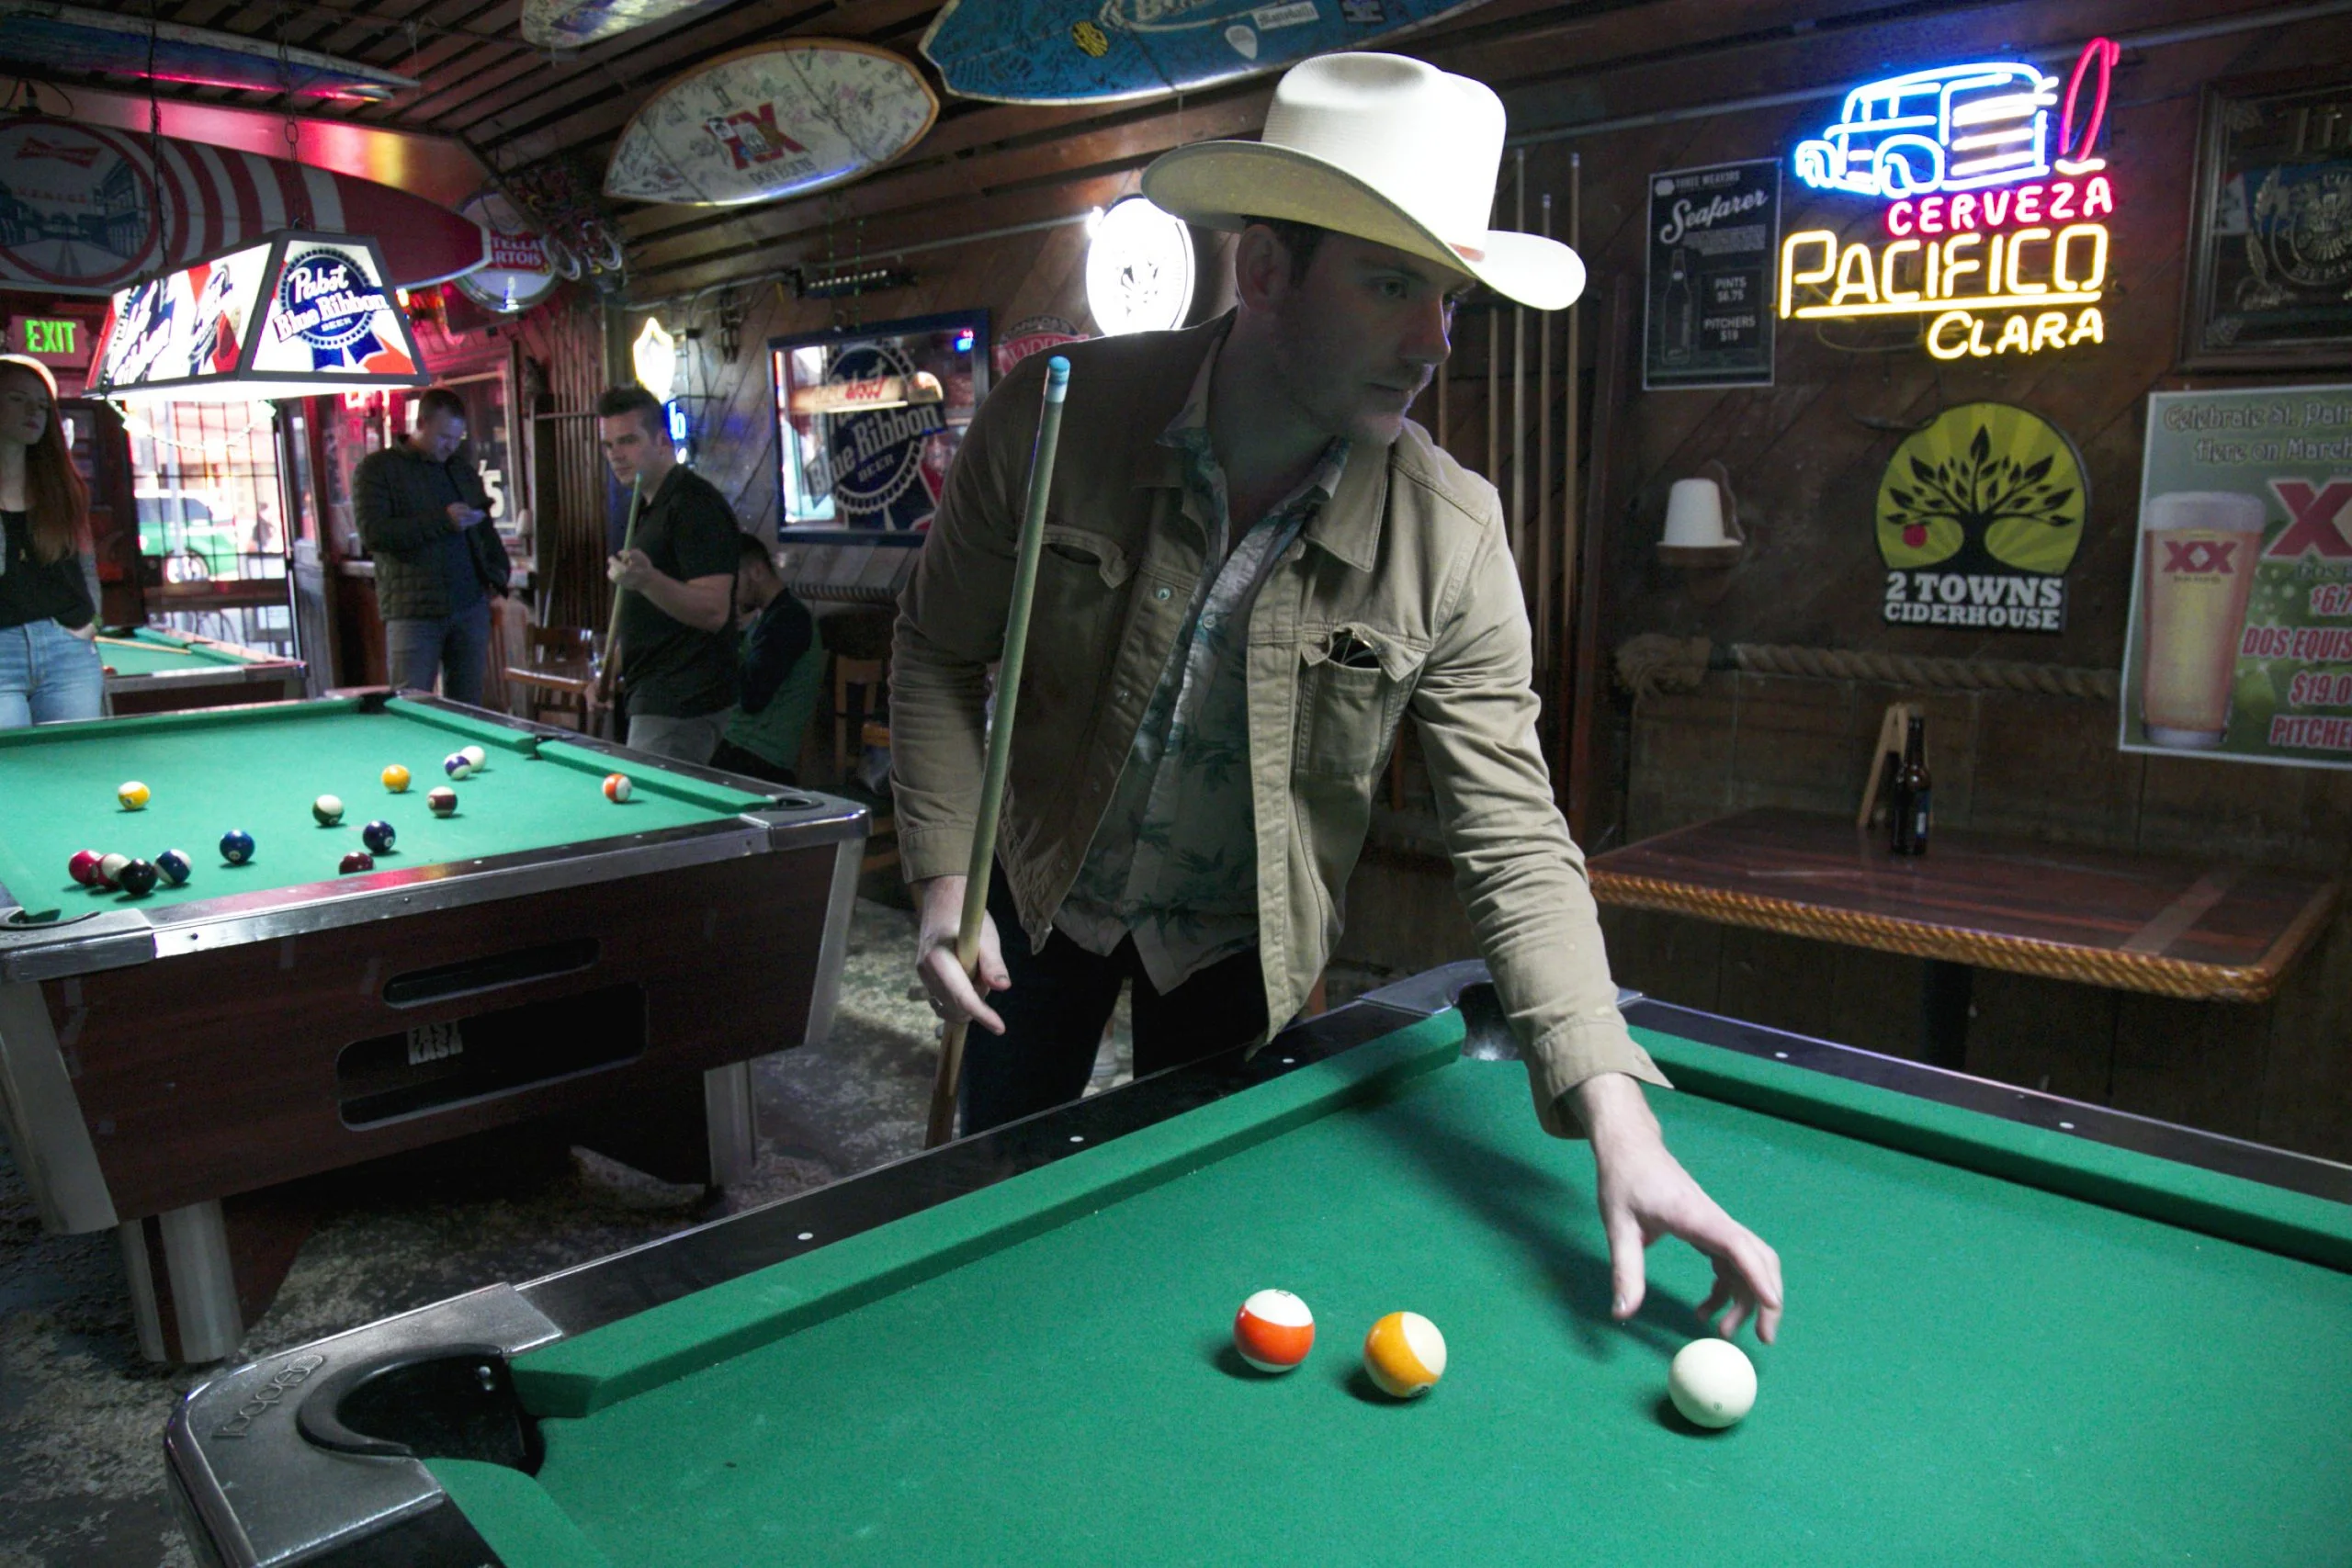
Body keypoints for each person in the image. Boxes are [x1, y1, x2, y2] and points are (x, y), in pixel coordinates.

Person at [894, 54, 1782, 1342]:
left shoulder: (1454, 538)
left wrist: (1618, 1115)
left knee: (1191, 1272)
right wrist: (942, 875)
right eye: (1389, 285)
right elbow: (933, 651)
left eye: (1448, 298)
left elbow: (1516, 840)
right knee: (987, 1229)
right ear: (1264, 270)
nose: (1434, 343)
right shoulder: (1055, 420)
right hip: (1026, 901)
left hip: (1238, 945)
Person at [597, 385, 738, 763]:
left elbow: (714, 611)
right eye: (608, 445)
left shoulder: (694, 504)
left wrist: (648, 580)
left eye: (628, 441)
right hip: (653, 695)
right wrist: (610, 672)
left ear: (662, 440)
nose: (616, 455)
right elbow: (649, 618)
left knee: (649, 803)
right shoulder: (646, 505)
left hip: (682, 702)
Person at [355, 387, 511, 706]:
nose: (450, 446)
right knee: (411, 705)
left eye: (456, 438)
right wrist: (443, 521)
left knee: (467, 708)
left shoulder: (461, 469)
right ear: (421, 423)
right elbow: (375, 534)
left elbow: (485, 529)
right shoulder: (377, 469)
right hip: (413, 612)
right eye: (443, 437)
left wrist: (498, 574)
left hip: (469, 604)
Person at [0, 354, 102, 728]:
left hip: (67, 652)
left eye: (43, 406)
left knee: (73, 760)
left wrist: (93, 621)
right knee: (11, 762)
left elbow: (87, 567)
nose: (34, 412)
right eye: (17, 399)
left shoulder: (62, 488)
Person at [709, 534, 824, 785]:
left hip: (756, 758)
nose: (730, 594)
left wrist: (723, 638)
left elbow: (753, 696)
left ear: (757, 571)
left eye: (733, 582)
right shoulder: (769, 618)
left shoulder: (789, 620)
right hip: (740, 750)